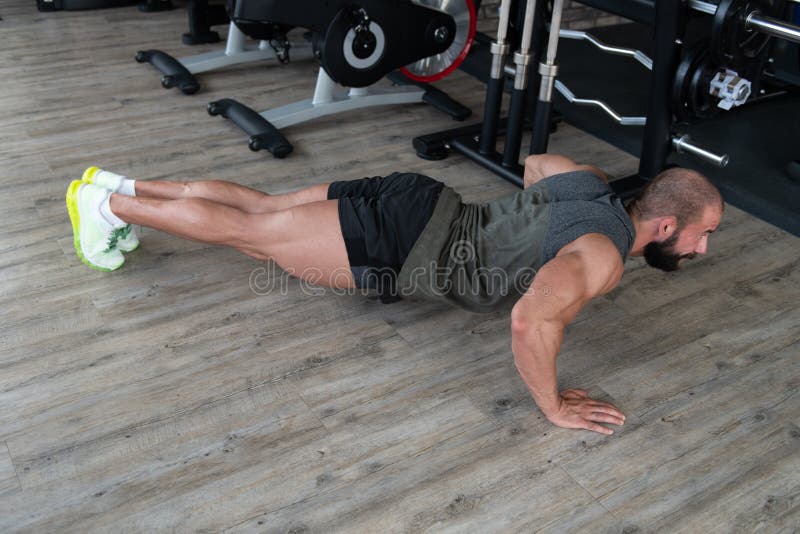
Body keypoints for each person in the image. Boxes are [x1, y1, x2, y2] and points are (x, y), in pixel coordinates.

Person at [65, 154, 723, 435]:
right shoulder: (603, 257)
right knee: (253, 233)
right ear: (664, 225)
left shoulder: (591, 183)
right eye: (701, 236)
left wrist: (517, 238)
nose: (701, 250)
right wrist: (551, 404)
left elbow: (537, 167)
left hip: (417, 198)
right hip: (407, 245)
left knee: (266, 214)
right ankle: (108, 207)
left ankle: (118, 184)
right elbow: (531, 322)